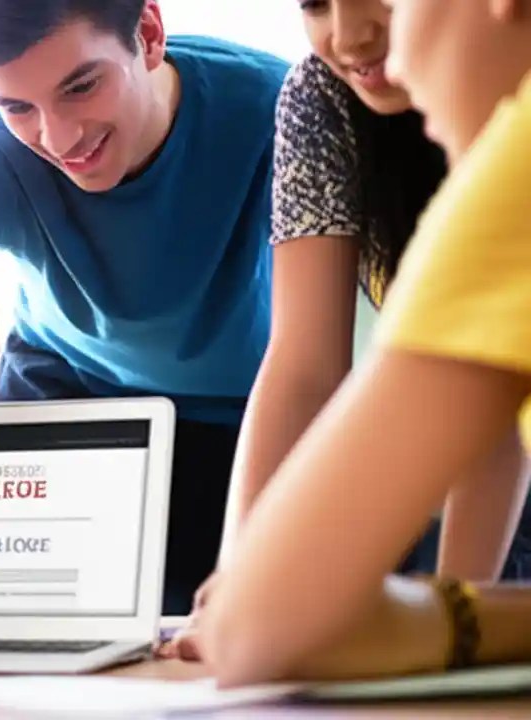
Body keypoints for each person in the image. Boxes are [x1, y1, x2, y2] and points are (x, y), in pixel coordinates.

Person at [0, 0, 288, 614]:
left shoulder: (277, 110)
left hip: (244, 415)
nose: (57, 138)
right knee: (7, 621)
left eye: (81, 87)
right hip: (68, 397)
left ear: (148, 33)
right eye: (17, 106)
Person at [163, 0, 531, 659]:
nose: (357, 39)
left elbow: (257, 624)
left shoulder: (514, 172)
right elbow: (303, 364)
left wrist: (445, 616)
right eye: (314, 4)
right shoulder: (324, 97)